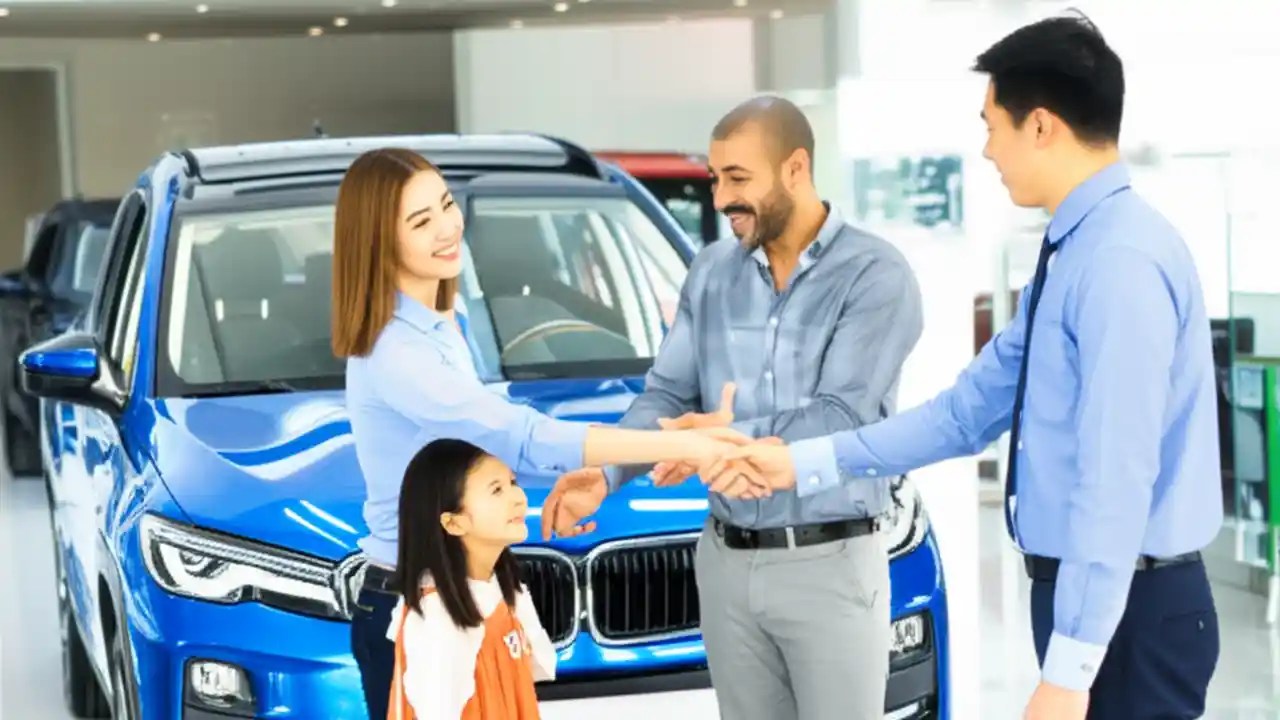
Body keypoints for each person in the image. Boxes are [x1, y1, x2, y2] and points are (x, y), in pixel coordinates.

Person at [709, 15, 1223, 720]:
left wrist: (1072, 671)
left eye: (992, 126)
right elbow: (962, 414)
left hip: (1130, 614)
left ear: (1040, 126)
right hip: (1103, 605)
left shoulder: (1117, 264)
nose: (985, 150)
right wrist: (798, 462)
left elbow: (1116, 477)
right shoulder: (1074, 254)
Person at [541, 96, 924, 720]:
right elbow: (667, 394)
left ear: (796, 169)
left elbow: (842, 418)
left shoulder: (875, 275)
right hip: (725, 563)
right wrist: (607, 471)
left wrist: (717, 441)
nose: (720, 199)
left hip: (828, 564)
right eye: (717, 179)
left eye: (738, 179)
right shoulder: (712, 271)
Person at [331, 147, 747, 720]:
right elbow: (516, 434)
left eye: (446, 206)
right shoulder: (396, 352)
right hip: (422, 611)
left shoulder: (439, 327)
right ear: (380, 242)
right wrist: (676, 445)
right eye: (420, 221)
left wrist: (603, 471)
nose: (448, 227)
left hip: (469, 598)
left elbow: (477, 453)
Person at [387, 438, 554, 720]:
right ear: (453, 522)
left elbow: (538, 667)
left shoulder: (506, 593)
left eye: (513, 483)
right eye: (497, 490)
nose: (518, 498)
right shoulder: (437, 617)